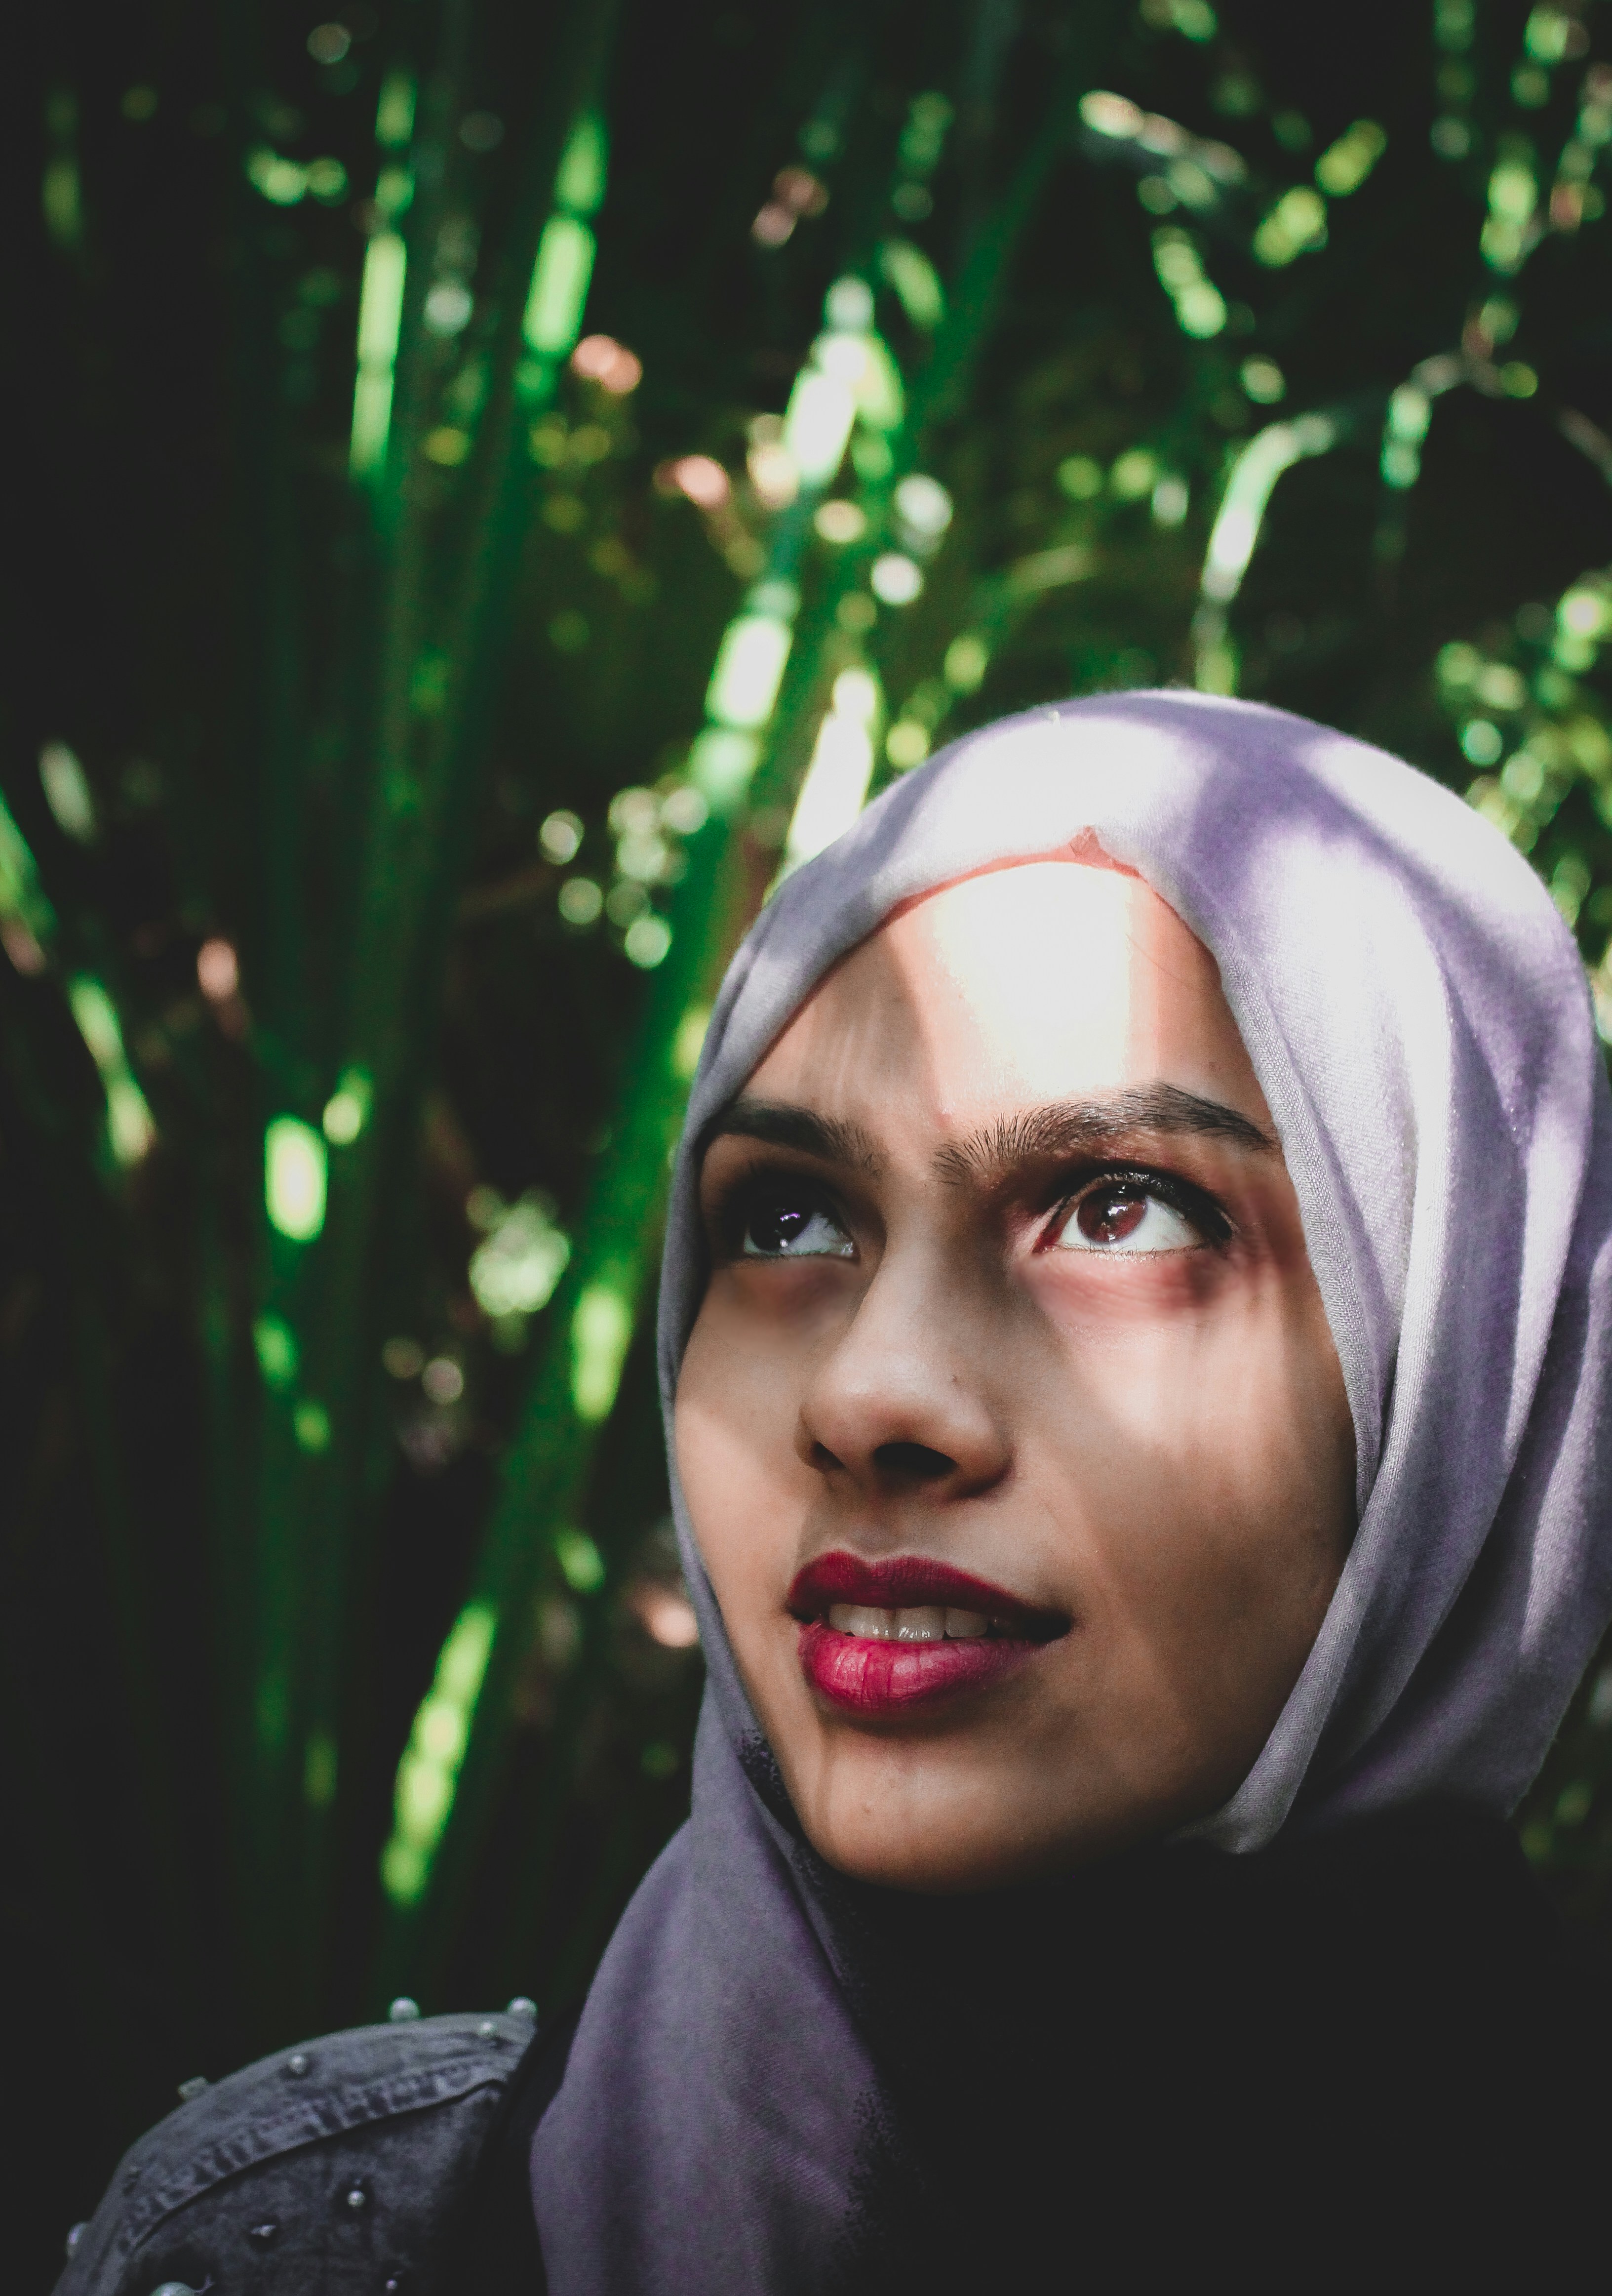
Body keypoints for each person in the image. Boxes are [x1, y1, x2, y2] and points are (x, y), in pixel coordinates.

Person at [57, 693, 1612, 2294]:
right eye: (789, 1220)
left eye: (1121, 1207)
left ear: (1458, 1367)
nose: (871, 1395)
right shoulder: (292, 2244)